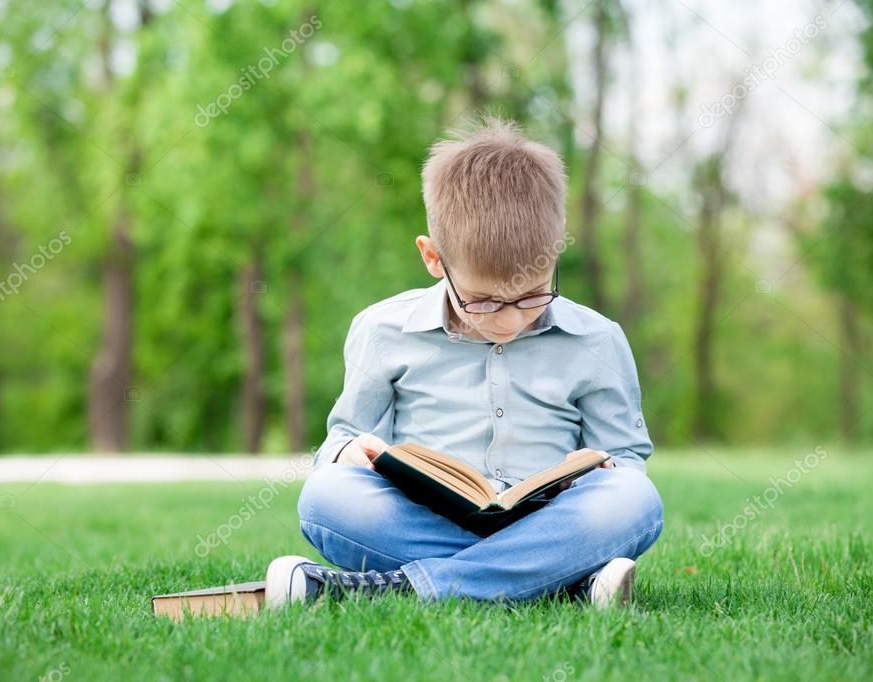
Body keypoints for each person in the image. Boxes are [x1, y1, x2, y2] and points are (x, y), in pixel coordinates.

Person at [266, 118, 663, 608]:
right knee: (326, 497)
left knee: (635, 502)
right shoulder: (382, 331)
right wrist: (349, 452)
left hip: (550, 520)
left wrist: (597, 469)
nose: (509, 319)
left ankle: (398, 589)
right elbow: (341, 441)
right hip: (424, 520)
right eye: (485, 302)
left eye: (533, 295)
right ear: (434, 258)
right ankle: (562, 581)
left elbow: (627, 458)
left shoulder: (598, 340)